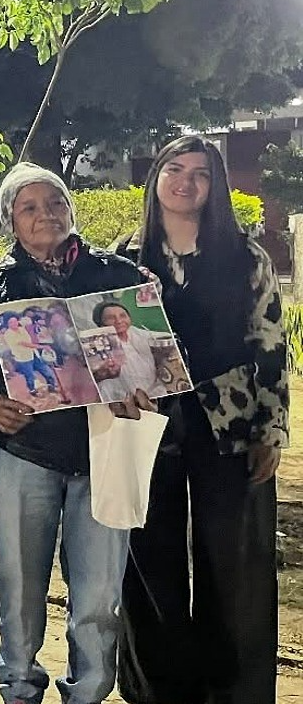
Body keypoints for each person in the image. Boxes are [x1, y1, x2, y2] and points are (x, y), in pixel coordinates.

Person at [0, 162, 152, 704]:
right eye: (29, 206)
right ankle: (18, 687)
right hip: (21, 455)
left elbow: (154, 361)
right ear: (10, 218)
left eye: (55, 203)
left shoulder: (119, 277)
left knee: (99, 594)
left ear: (71, 209)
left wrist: (142, 389)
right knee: (18, 590)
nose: (45, 216)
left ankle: (87, 691)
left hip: (105, 452)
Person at [115, 136, 288, 704]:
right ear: (155, 176)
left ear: (216, 186)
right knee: (149, 559)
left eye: (201, 173)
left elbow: (269, 344)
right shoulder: (124, 257)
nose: (185, 181)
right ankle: (158, 689)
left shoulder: (246, 256)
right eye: (174, 167)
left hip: (231, 424)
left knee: (232, 561)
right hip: (146, 428)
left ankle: (234, 690)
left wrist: (272, 430)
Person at [88, 300, 166, 399]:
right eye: (111, 318)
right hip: (119, 397)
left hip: (154, 393)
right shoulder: (97, 344)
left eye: (123, 316)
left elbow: (163, 337)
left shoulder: (137, 332)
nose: (119, 321)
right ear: (101, 324)